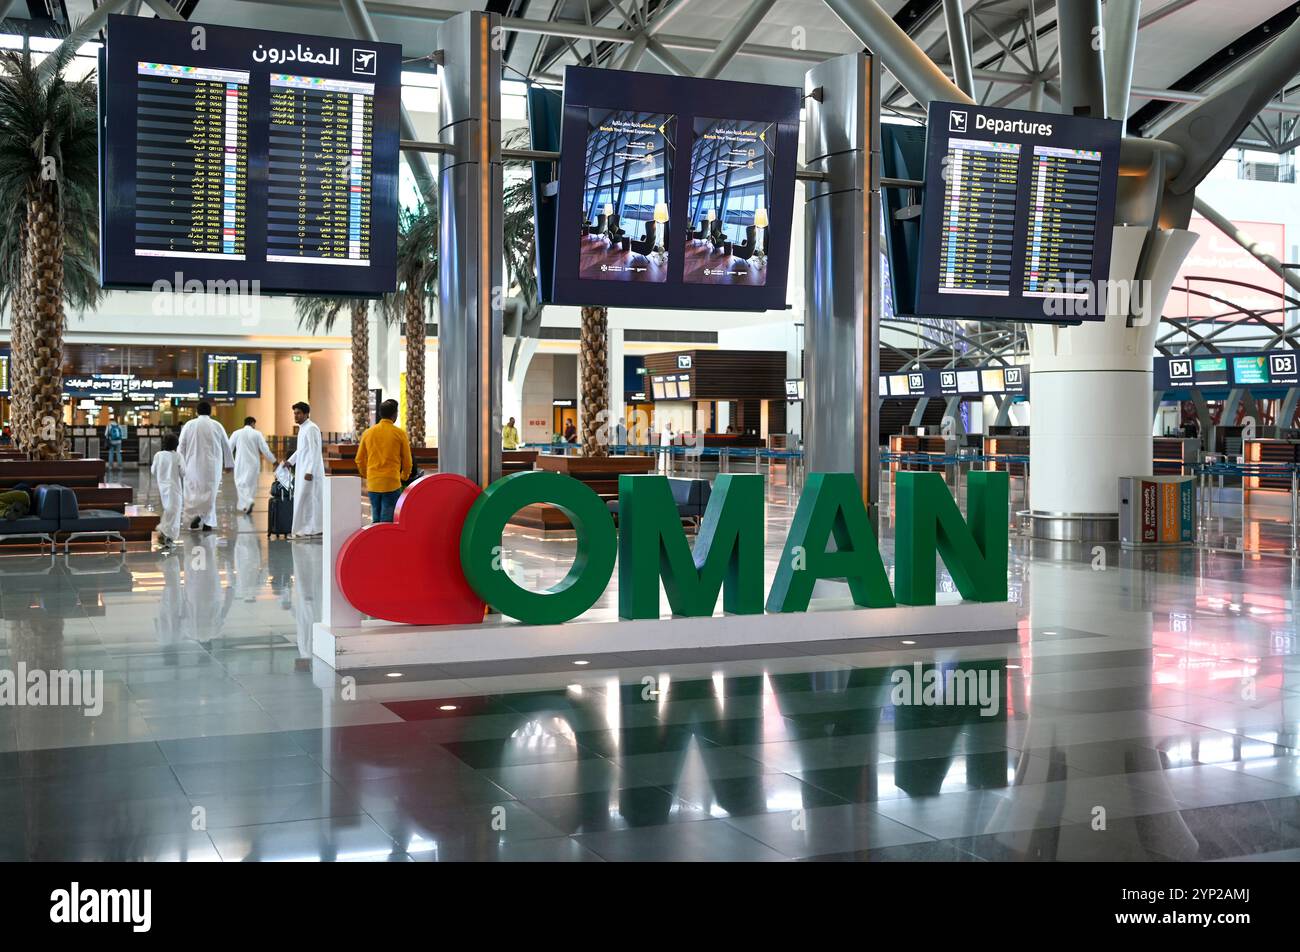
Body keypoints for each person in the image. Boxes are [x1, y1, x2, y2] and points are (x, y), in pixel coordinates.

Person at [177, 401, 233, 532]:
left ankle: (196, 515)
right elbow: (226, 445)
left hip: (191, 465)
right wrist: (229, 463)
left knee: (193, 492)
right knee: (210, 493)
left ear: (197, 412)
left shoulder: (189, 425)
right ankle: (207, 522)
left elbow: (181, 446)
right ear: (210, 412)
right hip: (212, 467)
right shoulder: (217, 425)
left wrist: (179, 463)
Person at [355, 398, 412, 524]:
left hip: (373, 483)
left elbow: (359, 459)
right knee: (387, 521)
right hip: (391, 483)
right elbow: (407, 460)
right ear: (394, 414)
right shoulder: (399, 433)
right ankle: (385, 543)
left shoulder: (368, 433)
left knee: (376, 518)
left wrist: (367, 474)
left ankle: (375, 541)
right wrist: (404, 476)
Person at [283, 401, 323, 537]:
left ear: (306, 414)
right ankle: (305, 528)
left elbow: (315, 451)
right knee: (303, 499)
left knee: (309, 500)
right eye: (295, 413)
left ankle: (311, 529)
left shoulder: (312, 428)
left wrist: (310, 471)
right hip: (303, 470)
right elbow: (301, 450)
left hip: (309, 472)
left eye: (299, 413)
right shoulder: (303, 428)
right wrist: (290, 462)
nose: (296, 416)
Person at [228, 416, 275, 515]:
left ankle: (248, 502)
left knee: (240, 483)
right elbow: (264, 449)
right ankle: (247, 505)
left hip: (240, 463)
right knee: (252, 485)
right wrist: (274, 461)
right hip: (254, 463)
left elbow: (229, 448)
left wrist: (227, 463)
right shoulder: (257, 434)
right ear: (253, 423)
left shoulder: (236, 433)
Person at [150, 432, 184, 548]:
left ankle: (164, 532)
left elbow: (153, 471)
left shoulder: (158, 455)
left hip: (162, 488)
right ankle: (167, 535)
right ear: (176, 445)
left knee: (168, 510)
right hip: (175, 488)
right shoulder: (178, 456)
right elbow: (183, 472)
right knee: (174, 511)